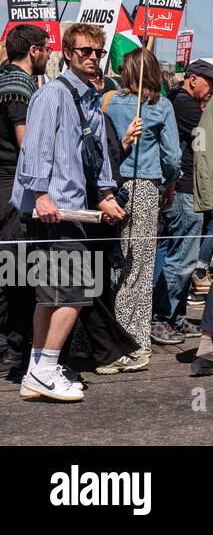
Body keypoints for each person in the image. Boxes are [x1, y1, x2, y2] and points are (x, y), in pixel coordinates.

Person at [14, 23, 129, 402]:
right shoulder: (53, 95)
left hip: (74, 209)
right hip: (55, 211)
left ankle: (37, 369)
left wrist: (106, 195)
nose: (92, 57)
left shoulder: (90, 99)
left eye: (98, 51)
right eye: (84, 51)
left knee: (51, 295)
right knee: (75, 294)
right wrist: (41, 193)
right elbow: (35, 147)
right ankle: (46, 369)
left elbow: (93, 159)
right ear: (68, 53)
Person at [99, 48, 180, 373]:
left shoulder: (107, 100)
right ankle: (131, 344)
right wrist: (171, 183)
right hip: (144, 186)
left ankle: (106, 341)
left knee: (113, 264)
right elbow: (172, 157)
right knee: (140, 267)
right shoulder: (161, 106)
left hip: (109, 187)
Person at [151, 58, 213, 344]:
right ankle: (161, 319)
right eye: (210, 82)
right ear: (192, 79)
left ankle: (176, 318)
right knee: (182, 259)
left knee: (182, 256)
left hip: (185, 188)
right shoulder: (184, 104)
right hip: (183, 189)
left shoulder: (183, 102)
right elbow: (209, 136)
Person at [0, 25, 48, 370]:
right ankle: (10, 347)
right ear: (33, 50)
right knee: (15, 269)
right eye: (46, 48)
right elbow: (26, 144)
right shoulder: (19, 87)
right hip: (11, 187)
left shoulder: (4, 79)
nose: (48, 54)